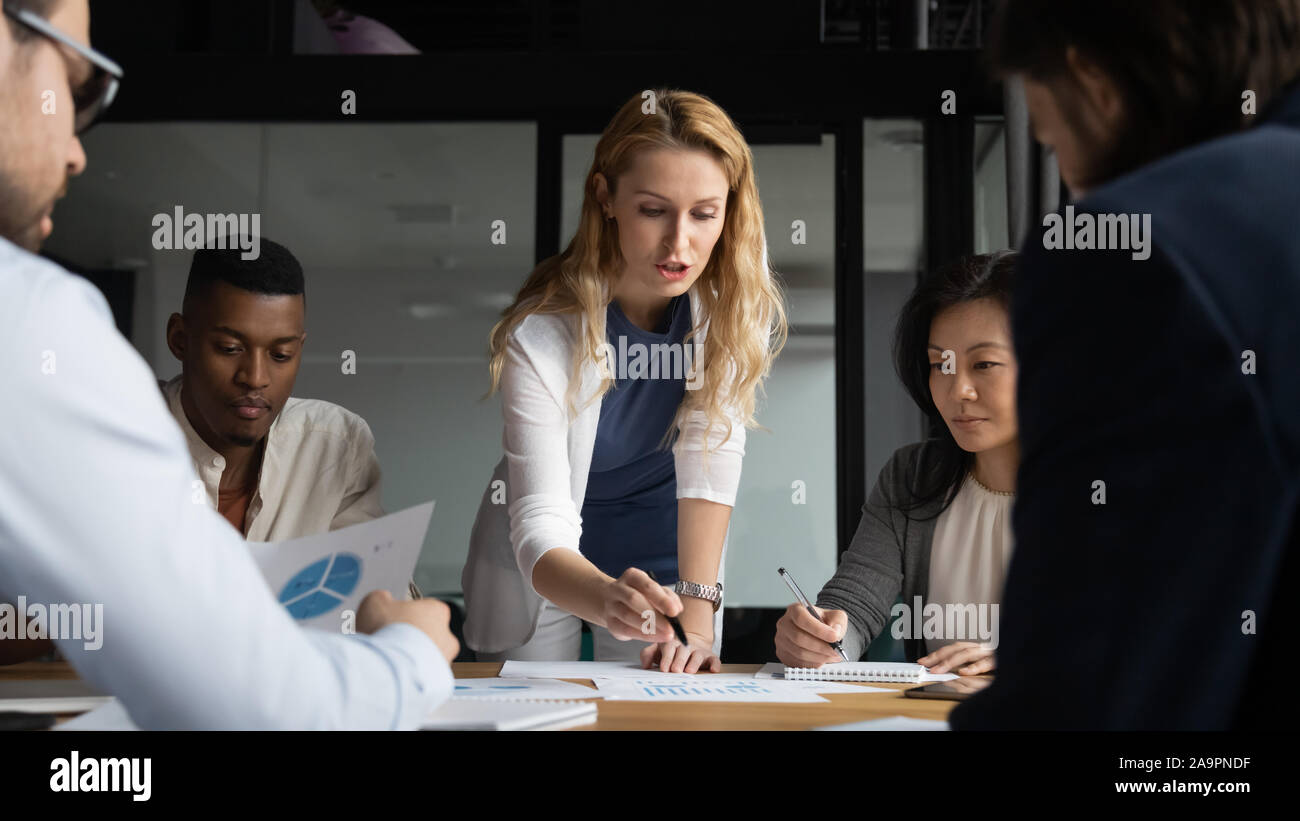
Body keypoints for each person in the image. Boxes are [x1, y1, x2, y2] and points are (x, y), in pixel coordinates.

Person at [0, 0, 458, 729]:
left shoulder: (335, 443)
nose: (77, 150)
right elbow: (252, 705)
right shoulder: (32, 326)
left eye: (282, 352)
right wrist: (412, 654)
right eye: (77, 83)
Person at [951, 0, 1300, 730]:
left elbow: (1082, 687)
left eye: (1050, 139)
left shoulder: (1134, 247)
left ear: (1093, 80)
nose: (1073, 180)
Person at [462, 88, 787, 673]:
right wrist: (606, 597)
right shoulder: (542, 334)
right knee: (533, 705)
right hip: (548, 562)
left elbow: (710, 464)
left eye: (704, 214)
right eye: (653, 210)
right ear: (605, 197)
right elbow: (540, 519)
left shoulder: (733, 312)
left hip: (668, 556)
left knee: (669, 701)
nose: (679, 243)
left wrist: (697, 621)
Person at [774, 252, 1019, 676]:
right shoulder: (912, 475)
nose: (958, 389)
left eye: (984, 364)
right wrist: (823, 639)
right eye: (940, 364)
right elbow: (856, 601)